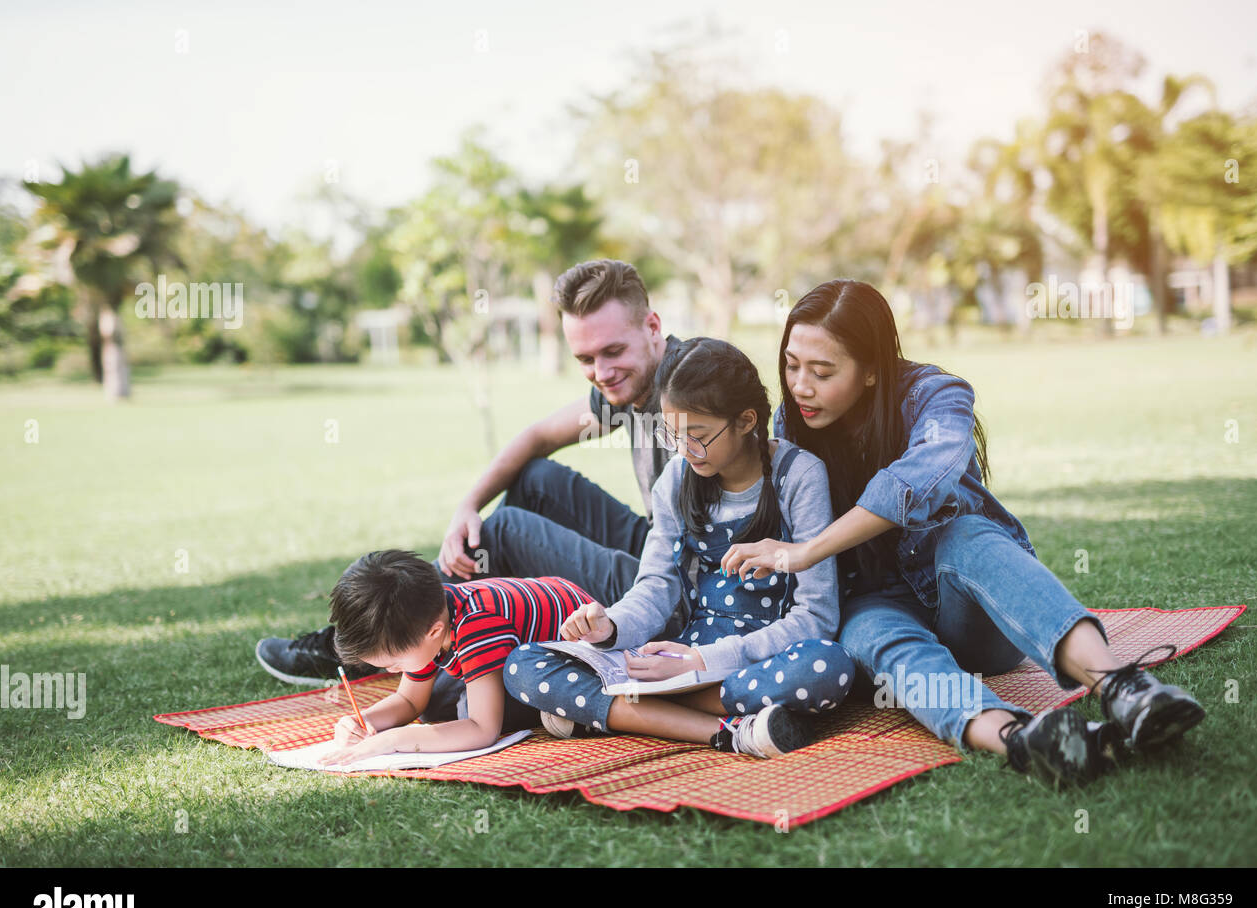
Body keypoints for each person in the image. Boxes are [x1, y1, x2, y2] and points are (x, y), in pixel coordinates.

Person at [719, 279, 1204, 785]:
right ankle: (1023, 739)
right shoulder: (790, 427)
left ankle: (1124, 688)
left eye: (822, 371)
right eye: (792, 365)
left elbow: (911, 483)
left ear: (870, 372)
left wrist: (804, 552)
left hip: (975, 616)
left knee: (966, 535)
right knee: (865, 630)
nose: (800, 386)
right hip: (876, 604)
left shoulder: (936, 396)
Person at [255, 260, 689, 723]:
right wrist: (466, 507)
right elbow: (537, 436)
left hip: (678, 587)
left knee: (503, 530)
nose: (601, 372)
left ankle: (401, 641)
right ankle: (417, 638)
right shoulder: (630, 380)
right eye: (585, 359)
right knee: (535, 478)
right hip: (653, 543)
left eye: (612, 351)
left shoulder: (692, 382)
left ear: (653, 326)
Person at [504, 338, 852, 759]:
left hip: (756, 658)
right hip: (677, 659)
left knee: (826, 667)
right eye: (673, 435)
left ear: (746, 421)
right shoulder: (676, 478)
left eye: (699, 436)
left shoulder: (799, 476)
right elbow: (655, 585)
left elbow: (817, 615)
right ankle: (728, 729)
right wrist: (609, 627)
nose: (686, 451)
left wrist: (700, 662)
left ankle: (629, 712)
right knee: (524, 664)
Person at [316, 549, 594, 764]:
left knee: (466, 715)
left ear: (434, 632)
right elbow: (410, 700)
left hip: (582, 655)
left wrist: (394, 739)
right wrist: (364, 721)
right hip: (513, 644)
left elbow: (483, 731)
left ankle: (568, 713)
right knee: (433, 705)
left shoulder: (477, 624)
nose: (392, 672)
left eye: (395, 664)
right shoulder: (427, 618)